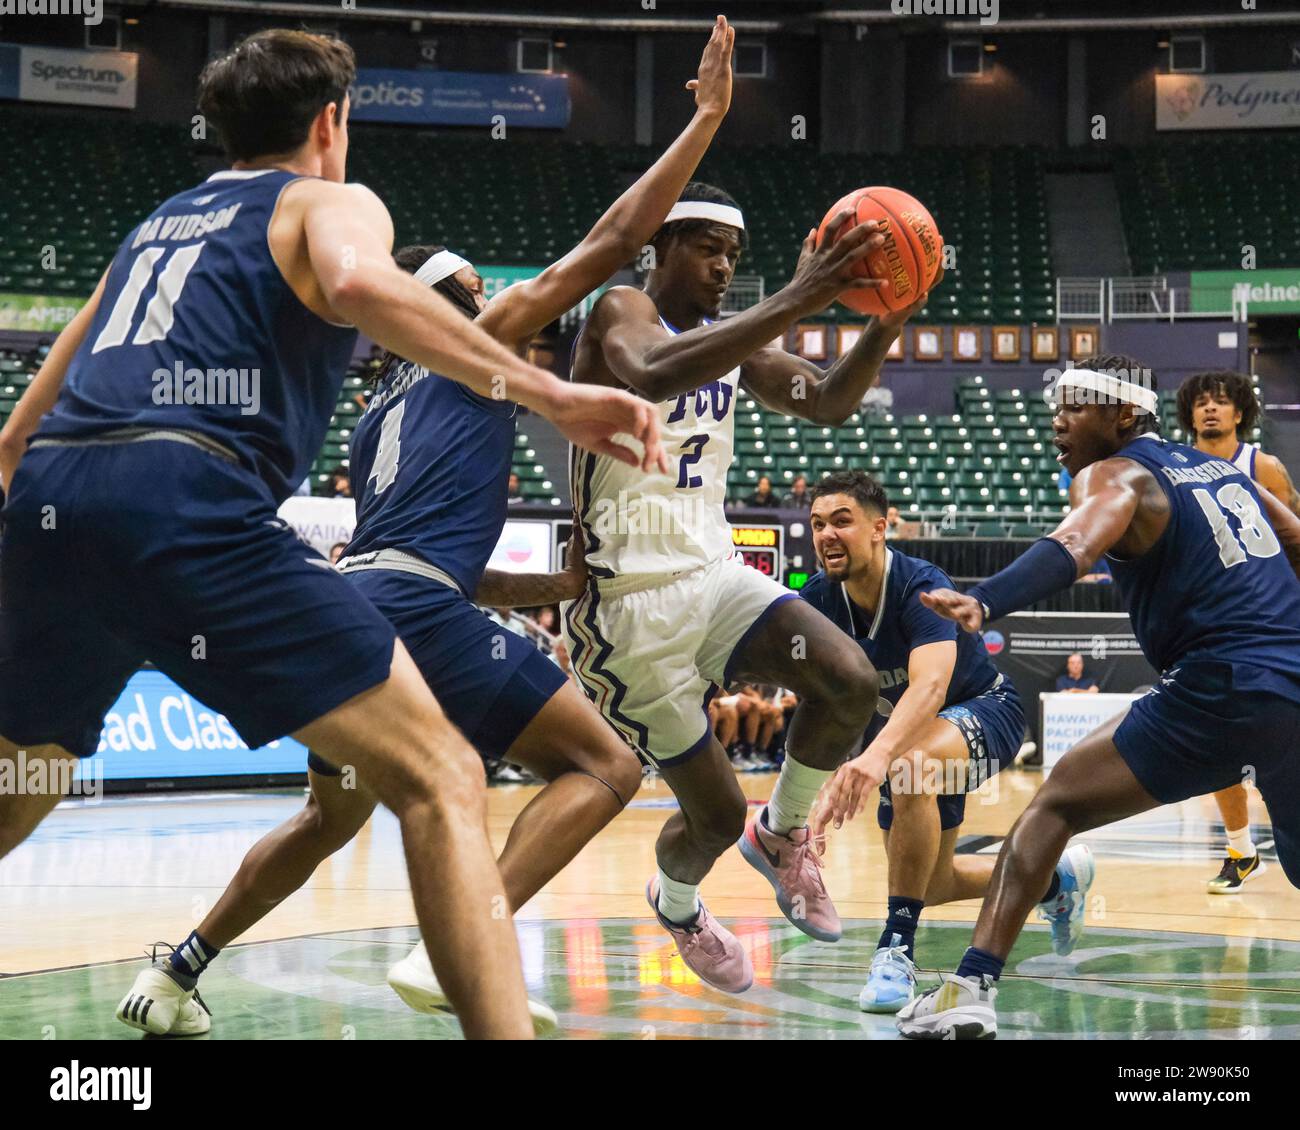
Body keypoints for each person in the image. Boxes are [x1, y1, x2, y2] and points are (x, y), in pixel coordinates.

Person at [0, 28, 667, 1042]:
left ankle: (189, 957)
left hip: (58, 496)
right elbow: (358, 284)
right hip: (188, 490)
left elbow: (41, 398)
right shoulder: (329, 199)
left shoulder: (157, 223)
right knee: (440, 776)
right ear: (330, 122)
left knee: (23, 784)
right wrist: (546, 391)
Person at [563, 178, 941, 991]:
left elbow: (831, 402)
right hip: (626, 607)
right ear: (660, 247)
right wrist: (799, 297)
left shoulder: (736, 342)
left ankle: (784, 834)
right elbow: (656, 372)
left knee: (845, 679)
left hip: (712, 572)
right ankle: (676, 903)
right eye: (708, 249)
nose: (724, 267)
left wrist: (886, 322)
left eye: (734, 254)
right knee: (712, 817)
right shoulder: (619, 311)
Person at [897, 355, 1300, 1039]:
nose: (1058, 420)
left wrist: (986, 598)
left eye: (1075, 406)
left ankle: (970, 987)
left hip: (1220, 684)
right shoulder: (1225, 469)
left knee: (1053, 806)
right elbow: (1295, 539)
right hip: (1290, 683)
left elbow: (1077, 542)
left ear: (1122, 416)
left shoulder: (1115, 472)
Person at [803, 471, 1086, 1014]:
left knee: (907, 764)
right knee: (930, 882)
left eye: (842, 521)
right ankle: (1054, 882)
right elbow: (824, 705)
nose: (826, 535)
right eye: (817, 524)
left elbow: (930, 686)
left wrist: (872, 759)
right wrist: (811, 794)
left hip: (988, 712)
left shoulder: (918, 584)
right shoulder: (818, 601)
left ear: (879, 529)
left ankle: (895, 952)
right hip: (918, 742)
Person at [1178, 369, 1300, 894]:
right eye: (1202, 402)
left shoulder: (1262, 466)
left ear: (1239, 412)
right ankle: (1240, 849)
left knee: (1278, 739)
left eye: (1221, 402)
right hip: (1207, 621)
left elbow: (1294, 536)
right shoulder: (1176, 466)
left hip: (1269, 622)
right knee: (1216, 739)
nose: (1210, 409)